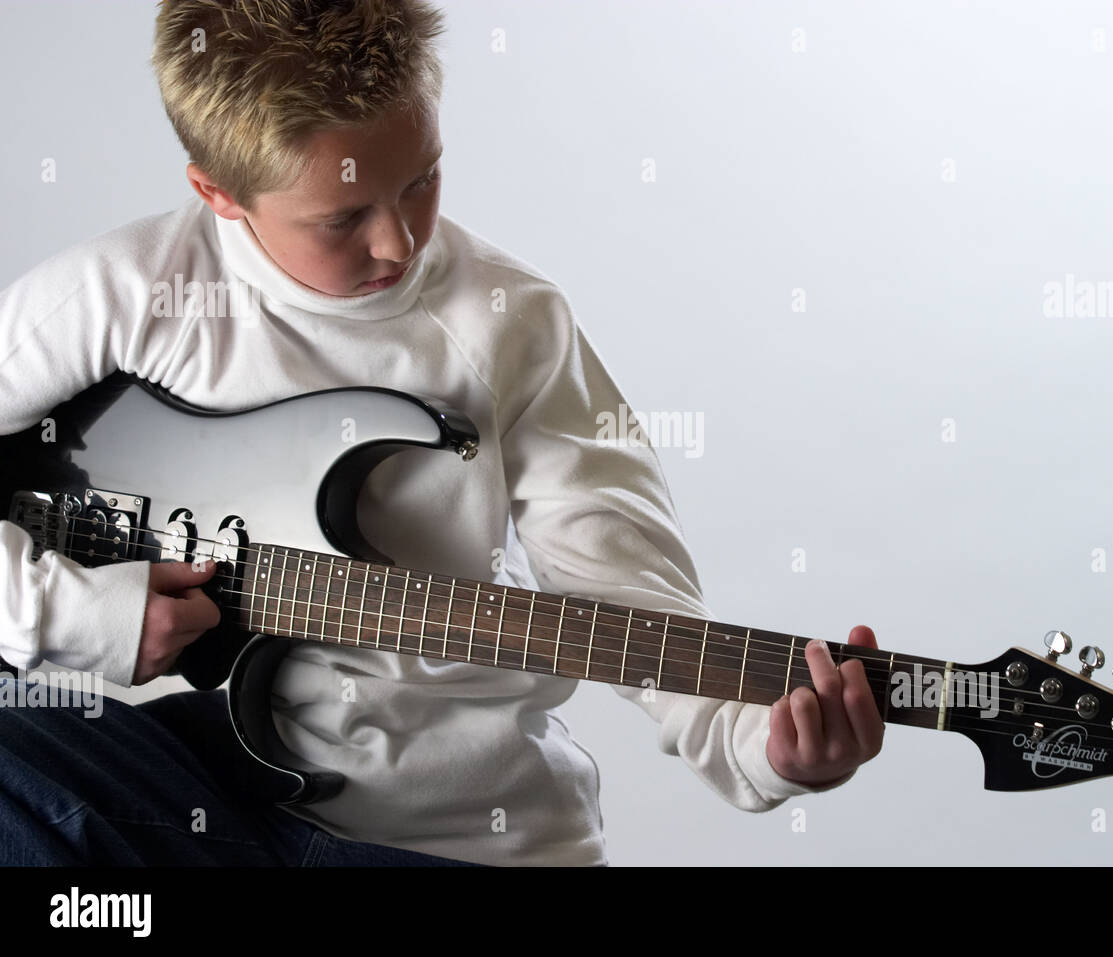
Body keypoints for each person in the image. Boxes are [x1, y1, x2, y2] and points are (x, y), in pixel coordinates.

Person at [0, 0, 883, 867]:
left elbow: (624, 589)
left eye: (421, 178)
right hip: (216, 789)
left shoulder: (508, 320)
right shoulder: (122, 295)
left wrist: (757, 741)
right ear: (216, 193)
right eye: (343, 218)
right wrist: (77, 616)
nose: (398, 240)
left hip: (457, 833)